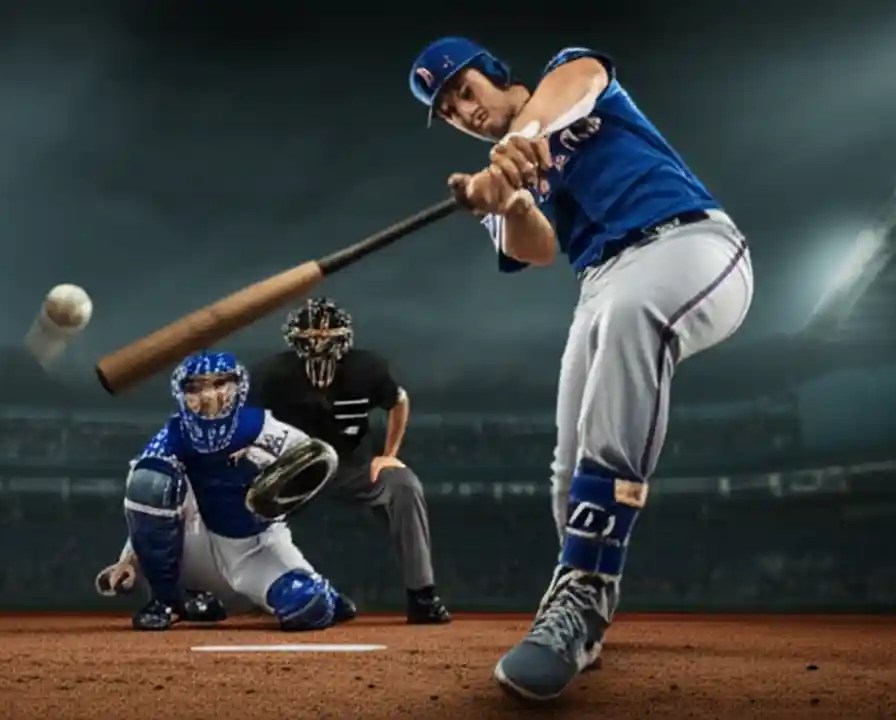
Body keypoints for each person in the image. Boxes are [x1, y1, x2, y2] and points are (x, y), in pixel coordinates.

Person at [407, 37, 755, 699]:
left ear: (493, 71)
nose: (462, 109)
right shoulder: (497, 179)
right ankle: (574, 614)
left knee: (634, 318)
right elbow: (535, 251)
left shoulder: (559, 79)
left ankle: (589, 590)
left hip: (688, 243)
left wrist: (522, 140)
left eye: (463, 88)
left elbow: (583, 76)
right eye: (447, 107)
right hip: (600, 282)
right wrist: (509, 202)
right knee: (568, 473)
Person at [96, 350, 356, 631]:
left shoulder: (263, 429)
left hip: (254, 548)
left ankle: (319, 589)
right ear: (181, 394)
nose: (209, 398)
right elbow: (144, 500)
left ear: (239, 387)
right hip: (193, 545)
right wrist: (129, 558)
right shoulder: (171, 439)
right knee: (150, 478)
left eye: (220, 384)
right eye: (195, 388)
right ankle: (168, 601)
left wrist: (278, 482)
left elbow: (314, 460)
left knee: (308, 607)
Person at [247, 297, 451, 624]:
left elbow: (399, 401)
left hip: (351, 468)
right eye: (311, 336)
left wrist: (388, 456)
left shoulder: (366, 369)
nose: (318, 344)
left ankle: (422, 595)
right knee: (239, 497)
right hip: (292, 472)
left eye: (326, 337)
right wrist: (258, 465)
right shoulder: (272, 374)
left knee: (404, 485)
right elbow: (247, 421)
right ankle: (253, 590)